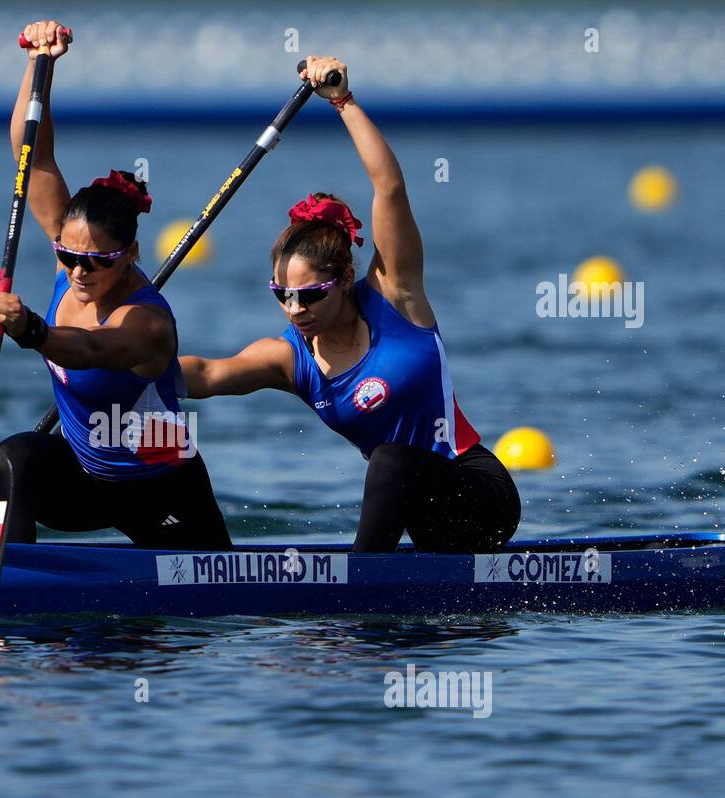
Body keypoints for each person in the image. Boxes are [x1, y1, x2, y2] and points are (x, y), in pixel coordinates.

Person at [179, 56, 520, 553]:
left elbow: (390, 189)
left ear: (343, 280)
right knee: (390, 466)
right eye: (282, 296)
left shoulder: (395, 297)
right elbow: (206, 375)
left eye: (309, 294)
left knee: (389, 460)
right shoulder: (290, 358)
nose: (295, 309)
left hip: (479, 494)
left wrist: (342, 101)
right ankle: (365, 595)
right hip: (420, 520)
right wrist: (123, 364)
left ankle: (356, 594)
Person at [0, 20, 232, 549]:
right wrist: (36, 64)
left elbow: (95, 348)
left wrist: (30, 327)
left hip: (161, 489)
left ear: (132, 255)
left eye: (98, 261)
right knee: (16, 457)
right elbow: (34, 156)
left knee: (165, 634)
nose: (79, 271)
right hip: (86, 483)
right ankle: (7, 585)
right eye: (69, 255)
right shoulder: (70, 262)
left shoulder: (147, 321)